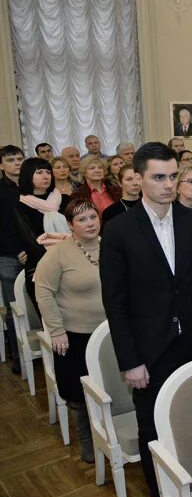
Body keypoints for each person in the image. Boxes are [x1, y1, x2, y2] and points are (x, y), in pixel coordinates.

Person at [100, 141, 192, 497]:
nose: (168, 185)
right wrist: (130, 360)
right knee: (154, 432)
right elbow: (115, 303)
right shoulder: (119, 230)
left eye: (173, 177)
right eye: (159, 177)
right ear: (137, 179)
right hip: (150, 351)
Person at [34, 199, 107, 464]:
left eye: (93, 217)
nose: (90, 223)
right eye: (82, 219)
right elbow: (43, 291)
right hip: (74, 335)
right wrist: (56, 330)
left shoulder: (110, 246)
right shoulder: (58, 254)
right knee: (77, 392)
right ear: (69, 224)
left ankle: (109, 434)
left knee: (109, 387)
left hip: (110, 333)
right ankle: (86, 439)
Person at [13, 157, 70, 310]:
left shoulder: (64, 200)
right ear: (27, 175)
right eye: (39, 172)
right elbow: (29, 238)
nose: (46, 176)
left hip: (71, 261)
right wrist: (54, 260)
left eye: (48, 172)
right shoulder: (20, 205)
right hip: (40, 264)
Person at [0, 145, 27, 373]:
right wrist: (18, 249)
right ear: (1, 165)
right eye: (11, 160)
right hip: (9, 255)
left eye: (20, 158)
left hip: (34, 253)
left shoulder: (31, 186)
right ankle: (18, 357)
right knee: (14, 308)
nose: (17, 163)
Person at [101, 164, 141, 228]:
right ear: (120, 183)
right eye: (129, 179)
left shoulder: (151, 207)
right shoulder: (110, 212)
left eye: (138, 179)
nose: (135, 183)